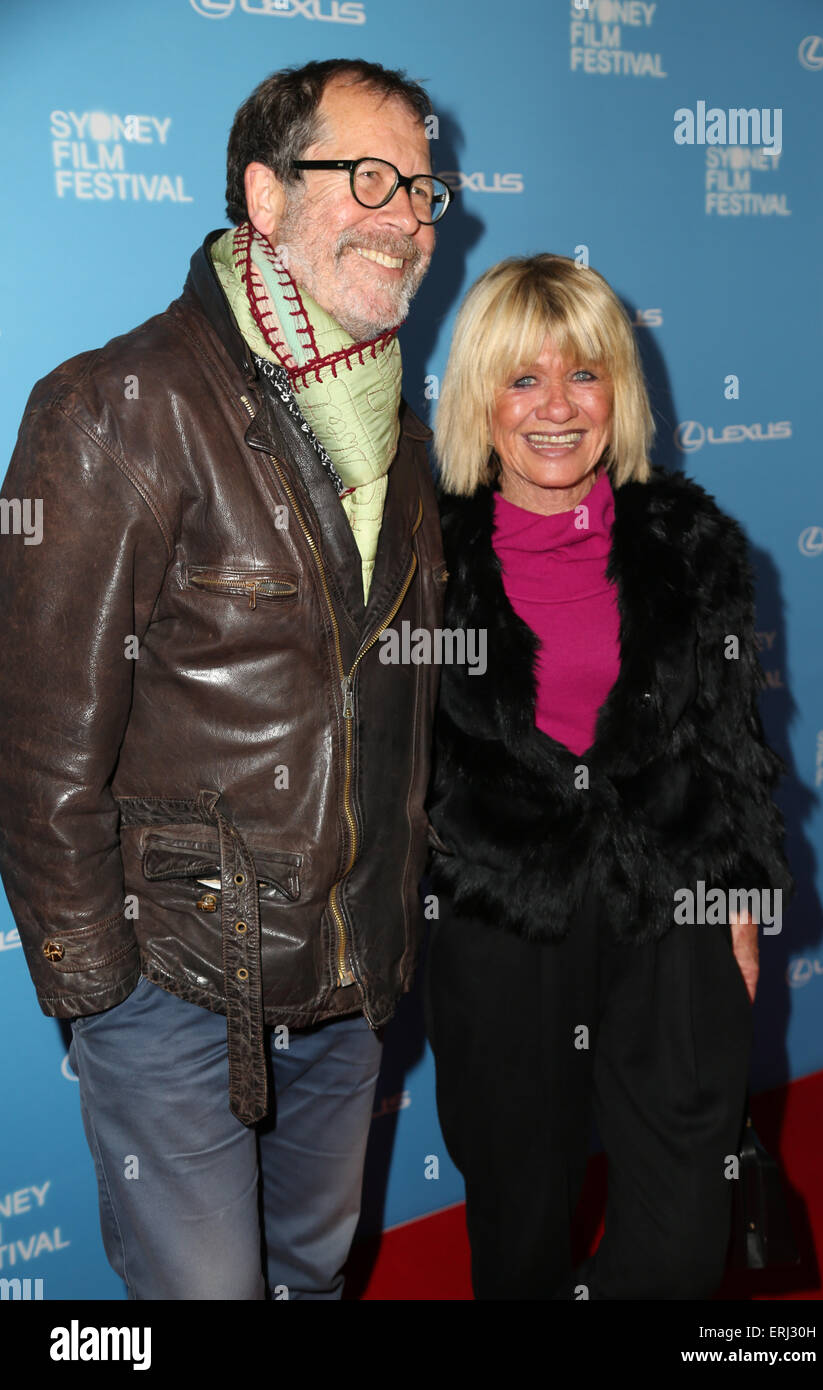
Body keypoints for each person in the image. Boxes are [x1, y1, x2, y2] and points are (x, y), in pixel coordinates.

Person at [0, 58, 452, 1300]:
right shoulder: (111, 409)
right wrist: (105, 1001)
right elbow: (38, 747)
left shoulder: (395, 434)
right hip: (177, 981)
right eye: (367, 176)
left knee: (313, 1270)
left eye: (422, 186)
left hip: (348, 970)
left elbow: (399, 707)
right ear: (263, 194)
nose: (406, 215)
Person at [423, 253, 794, 1301]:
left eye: (581, 375)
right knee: (519, 1216)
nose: (554, 408)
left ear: (617, 394)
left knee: (680, 1233)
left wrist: (737, 904)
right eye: (520, 378)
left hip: (669, 904)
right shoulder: (421, 561)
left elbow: (731, 743)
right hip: (502, 920)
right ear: (477, 397)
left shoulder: (690, 541)